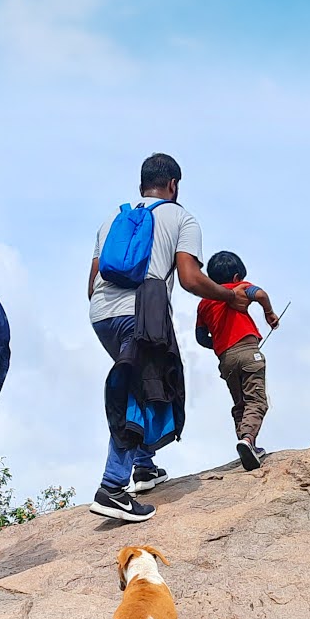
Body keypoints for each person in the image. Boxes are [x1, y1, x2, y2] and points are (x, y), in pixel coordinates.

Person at [87, 153, 250, 522]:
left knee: (147, 381)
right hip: (142, 313)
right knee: (138, 392)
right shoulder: (181, 217)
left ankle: (144, 467)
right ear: (173, 185)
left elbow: (92, 283)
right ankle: (112, 487)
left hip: (101, 315)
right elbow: (190, 279)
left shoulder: (111, 220)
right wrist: (228, 297)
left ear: (141, 184)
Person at [196, 250, 280, 471]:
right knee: (256, 400)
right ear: (236, 277)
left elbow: (200, 337)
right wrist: (269, 313)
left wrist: (219, 344)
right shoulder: (239, 287)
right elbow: (260, 294)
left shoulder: (204, 303)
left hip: (226, 359)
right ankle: (248, 440)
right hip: (248, 352)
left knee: (241, 403)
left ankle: (246, 444)